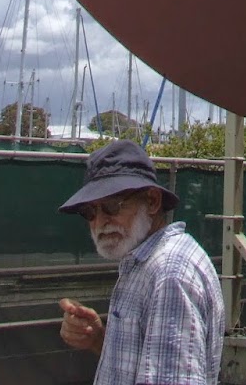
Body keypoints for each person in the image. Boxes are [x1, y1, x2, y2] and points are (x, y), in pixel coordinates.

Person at [56, 139, 225, 385]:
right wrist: (98, 338)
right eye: (89, 212)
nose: (100, 221)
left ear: (153, 201)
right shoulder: (146, 262)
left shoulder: (169, 273)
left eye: (112, 206)